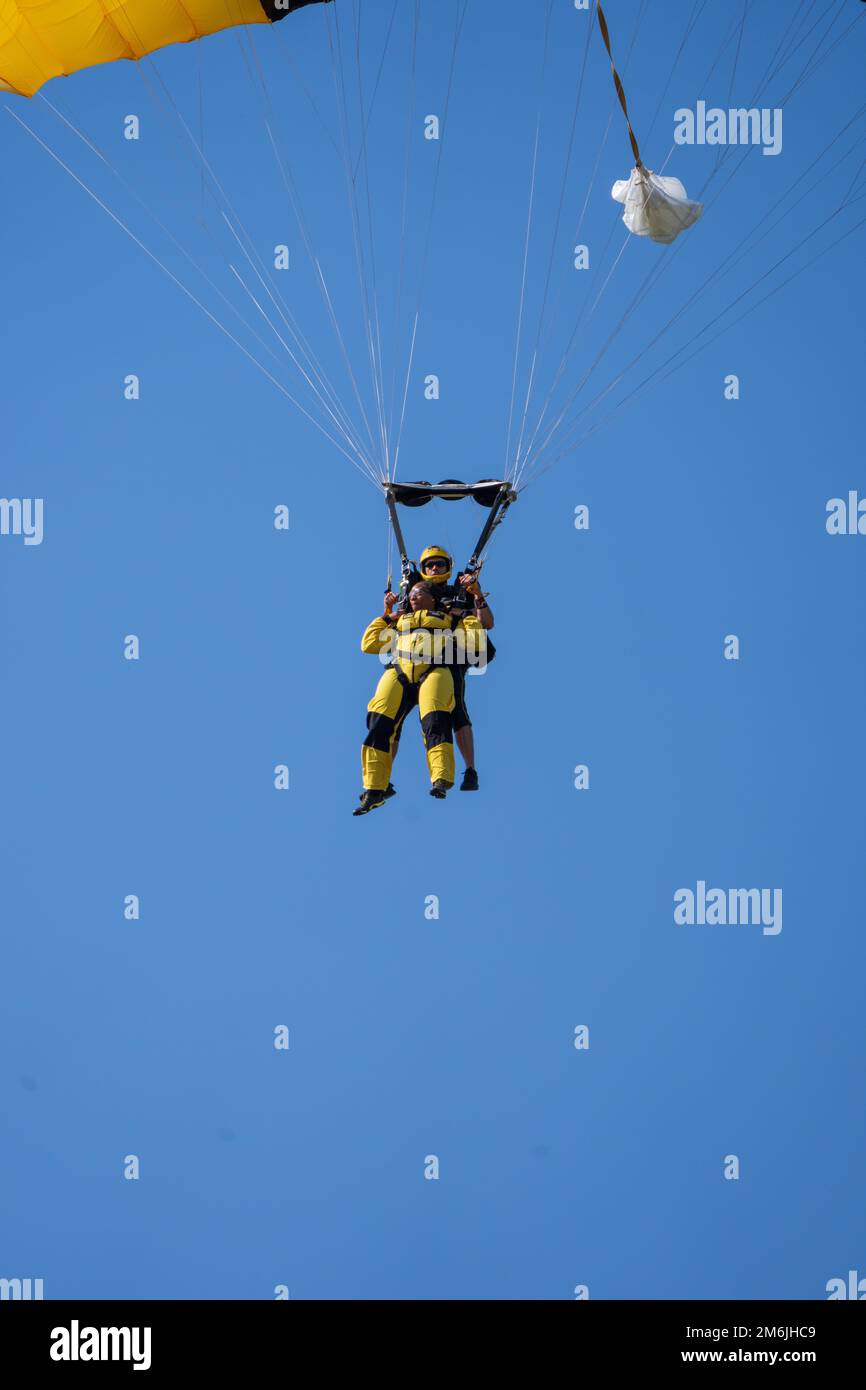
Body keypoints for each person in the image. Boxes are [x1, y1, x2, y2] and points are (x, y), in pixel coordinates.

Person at [354, 580, 483, 815]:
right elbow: (369, 643)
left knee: (435, 720)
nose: (414, 596)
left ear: (433, 598)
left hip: (435, 668)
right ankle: (374, 788)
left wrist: (466, 615)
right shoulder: (400, 621)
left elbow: (476, 646)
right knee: (378, 723)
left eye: (420, 592)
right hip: (399, 671)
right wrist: (388, 617)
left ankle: (441, 777)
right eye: (411, 593)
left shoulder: (449, 619)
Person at [395, 546, 495, 791]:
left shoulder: (460, 592)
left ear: (448, 567)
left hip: (447, 659)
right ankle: (379, 782)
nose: (434, 569)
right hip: (413, 661)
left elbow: (487, 623)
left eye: (440, 564)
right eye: (429, 565)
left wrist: (476, 594)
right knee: (388, 719)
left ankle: (470, 770)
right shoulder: (413, 592)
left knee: (456, 710)